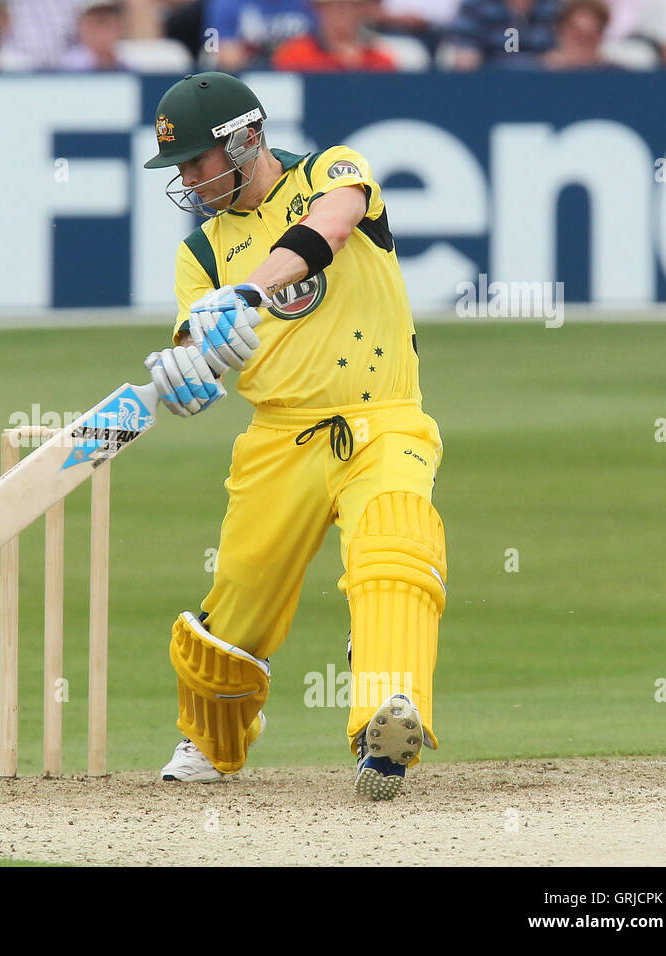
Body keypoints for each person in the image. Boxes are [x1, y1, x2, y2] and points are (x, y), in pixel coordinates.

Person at [141, 72, 446, 800]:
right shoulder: (200, 253)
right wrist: (187, 369)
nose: (188, 180)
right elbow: (198, 342)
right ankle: (214, 738)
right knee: (238, 606)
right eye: (178, 167)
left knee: (393, 550)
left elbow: (330, 228)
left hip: (384, 419)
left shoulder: (330, 171)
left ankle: (387, 722)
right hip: (278, 439)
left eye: (195, 161)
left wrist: (250, 289)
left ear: (245, 139)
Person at [271, 0, 397, 71]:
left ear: (360, 11)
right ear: (318, 11)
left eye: (350, 7)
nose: (341, 14)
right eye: (331, 7)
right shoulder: (295, 54)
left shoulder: (379, 58)